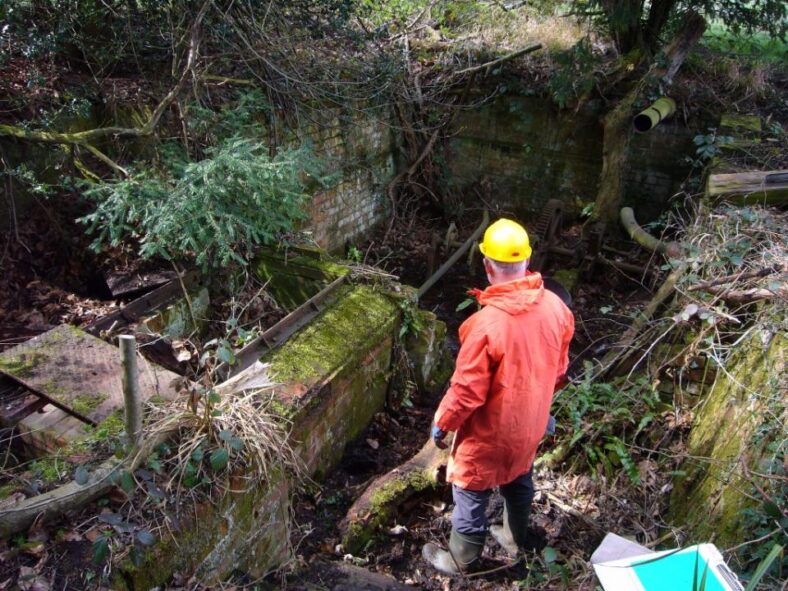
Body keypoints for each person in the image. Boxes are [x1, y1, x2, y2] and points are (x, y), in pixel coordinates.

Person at [422, 217, 575, 574]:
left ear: (487, 266)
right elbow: (560, 371)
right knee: (520, 473)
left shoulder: (486, 324)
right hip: (534, 420)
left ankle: (463, 559)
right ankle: (514, 538)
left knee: (470, 484)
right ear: (527, 264)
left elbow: (466, 392)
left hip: (492, 429)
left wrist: (442, 424)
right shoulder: (557, 308)